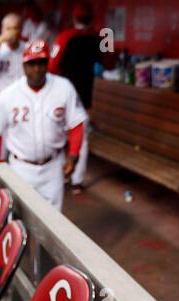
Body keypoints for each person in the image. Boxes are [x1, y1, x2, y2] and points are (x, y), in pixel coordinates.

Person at [0, 39, 86, 211]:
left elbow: (76, 123)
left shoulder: (64, 87)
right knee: (18, 221)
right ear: (24, 65)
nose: (37, 69)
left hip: (53, 166)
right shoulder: (8, 95)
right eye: (32, 64)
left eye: (41, 63)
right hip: (20, 168)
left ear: (48, 63)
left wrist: (73, 155)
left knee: (53, 225)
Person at [48, 2, 108, 195]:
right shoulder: (96, 38)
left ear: (74, 18)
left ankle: (62, 176)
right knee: (81, 138)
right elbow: (107, 61)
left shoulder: (65, 36)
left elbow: (50, 66)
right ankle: (77, 181)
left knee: (59, 136)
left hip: (62, 95)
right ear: (90, 18)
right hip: (83, 97)